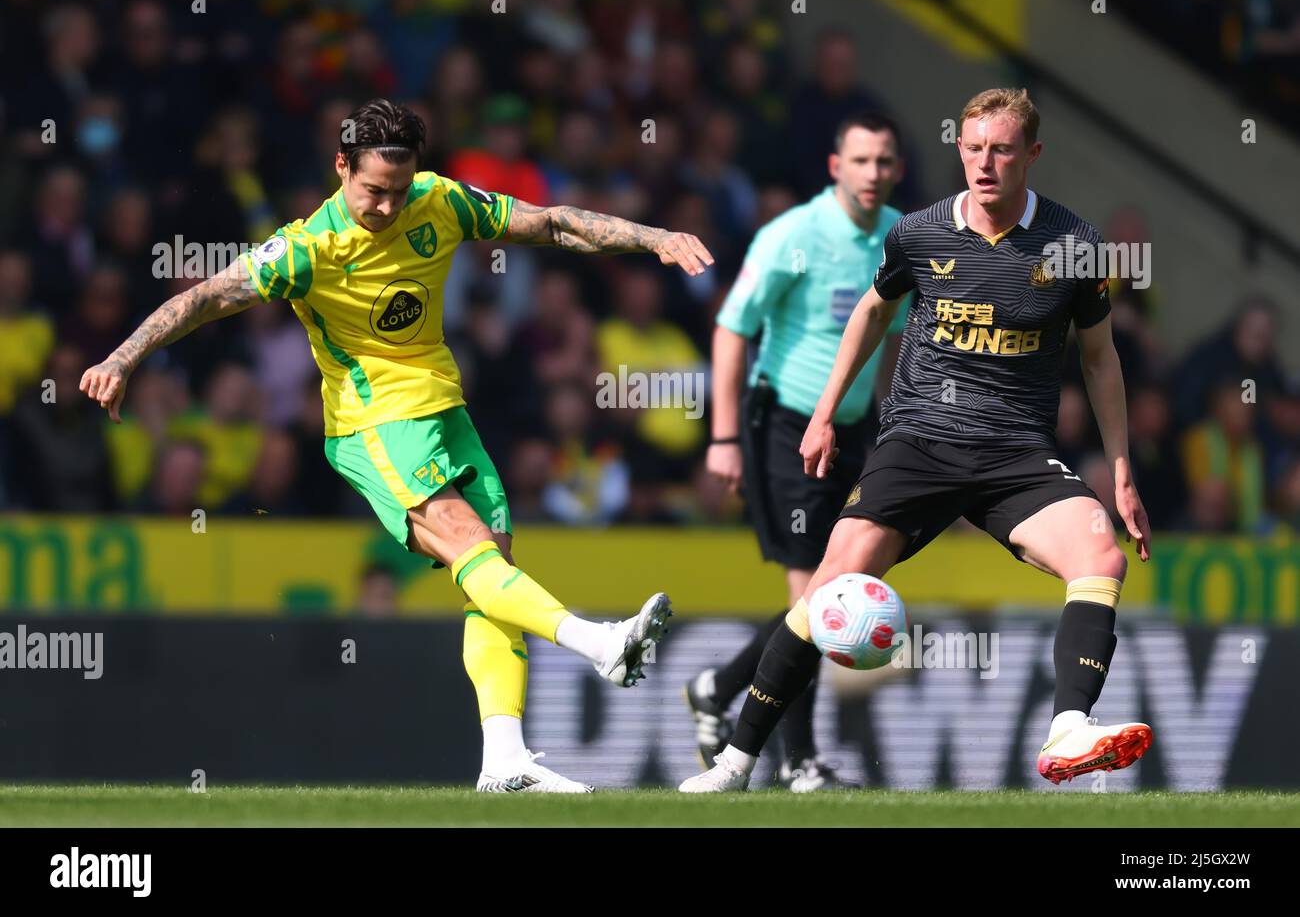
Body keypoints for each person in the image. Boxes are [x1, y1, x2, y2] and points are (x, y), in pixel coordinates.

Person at [81, 98, 714, 793]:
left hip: (445, 407)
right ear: (341, 166)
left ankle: (504, 758)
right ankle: (599, 643)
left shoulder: (439, 201)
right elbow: (204, 297)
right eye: (372, 191)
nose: (386, 206)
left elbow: (553, 225)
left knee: (491, 574)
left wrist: (652, 236)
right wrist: (122, 357)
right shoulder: (306, 248)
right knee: (472, 548)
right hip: (374, 422)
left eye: (398, 190)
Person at [681, 88, 1154, 792]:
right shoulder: (919, 234)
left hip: (1016, 453)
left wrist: (1120, 471)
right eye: (971, 149)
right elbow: (873, 313)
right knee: (827, 588)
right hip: (920, 442)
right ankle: (736, 761)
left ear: (1032, 153)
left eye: (1000, 149)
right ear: (957, 150)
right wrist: (823, 413)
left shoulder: (1074, 245)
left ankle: (1068, 730)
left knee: (1101, 556)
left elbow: (1099, 358)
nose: (984, 164)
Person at [686, 112, 908, 791]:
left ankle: (718, 685)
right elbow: (731, 330)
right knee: (817, 595)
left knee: (830, 591)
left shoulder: (901, 236)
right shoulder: (792, 237)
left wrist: (895, 419)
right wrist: (723, 437)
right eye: (861, 161)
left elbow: (892, 335)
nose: (873, 174)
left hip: (854, 429)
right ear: (835, 166)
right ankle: (798, 761)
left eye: (884, 162)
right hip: (782, 426)